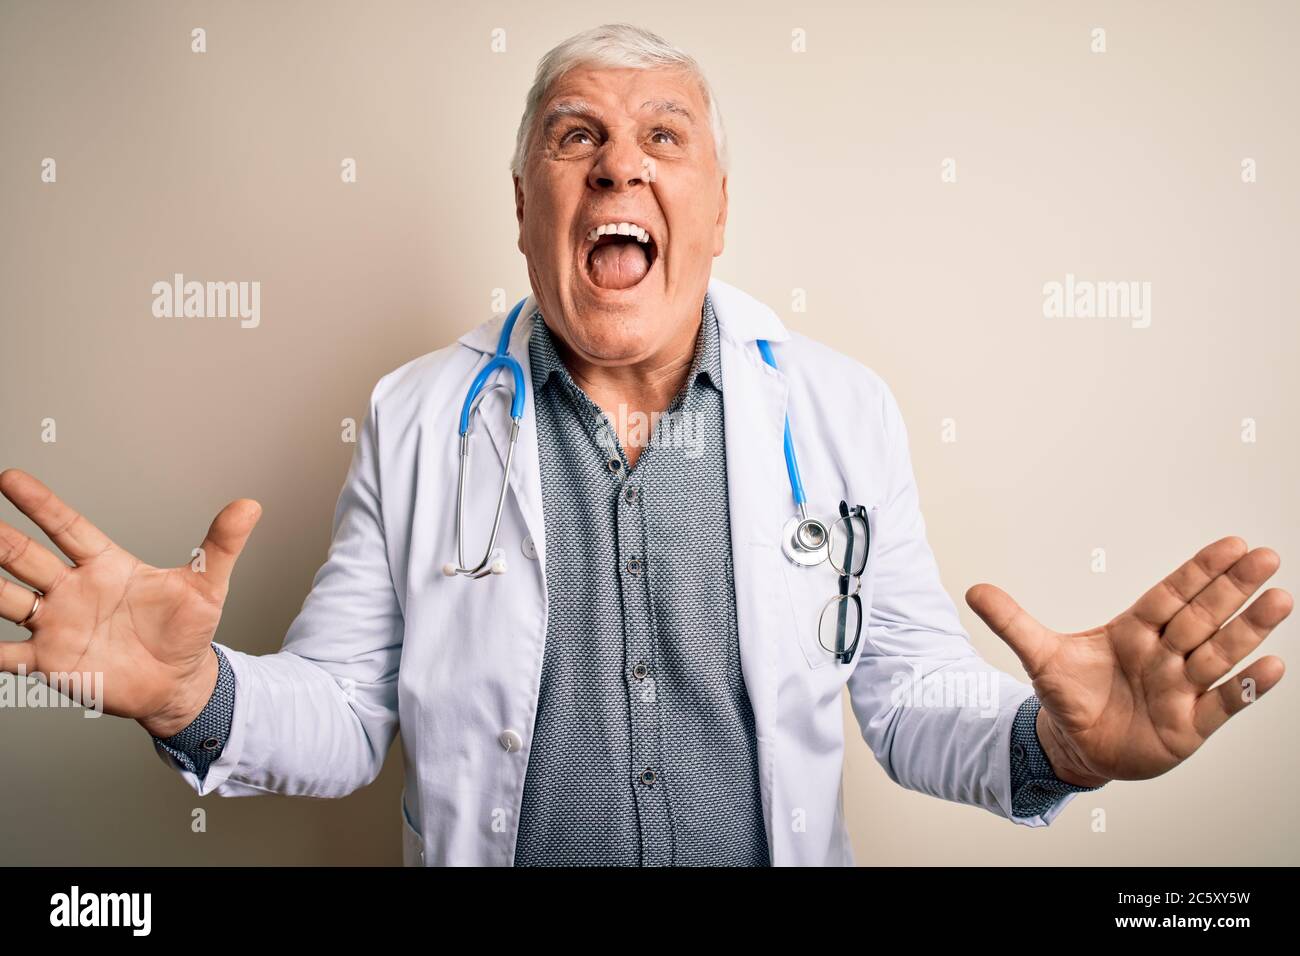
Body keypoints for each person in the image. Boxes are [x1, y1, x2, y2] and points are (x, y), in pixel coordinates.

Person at [0, 23, 1290, 866]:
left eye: (664, 138)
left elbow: (909, 705)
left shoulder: (840, 414)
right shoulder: (413, 421)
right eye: (579, 138)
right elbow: (345, 716)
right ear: (526, 209)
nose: (621, 167)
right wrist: (196, 694)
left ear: (716, 209)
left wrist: (1056, 745)